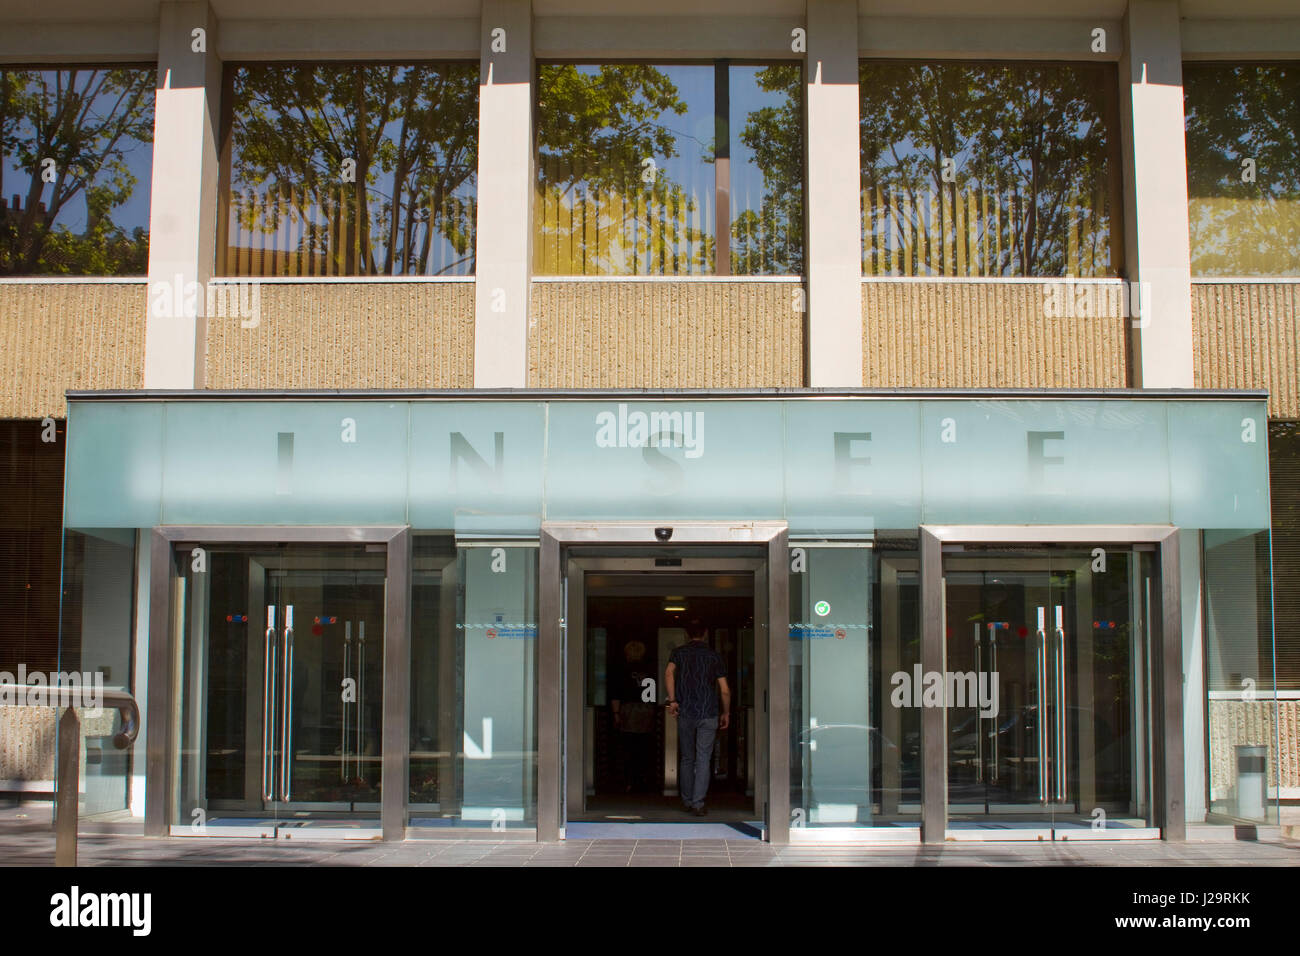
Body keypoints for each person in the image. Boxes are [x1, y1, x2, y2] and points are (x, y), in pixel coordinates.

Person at [664, 621, 730, 816]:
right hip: (708, 712)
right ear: (706, 633)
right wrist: (726, 712)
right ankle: (698, 803)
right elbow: (724, 690)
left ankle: (686, 800)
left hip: (685, 711)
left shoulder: (678, 653)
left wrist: (673, 701)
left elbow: (668, 673)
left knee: (686, 758)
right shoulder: (713, 656)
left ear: (687, 633)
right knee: (703, 759)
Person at [610, 639, 655, 793]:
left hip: (628, 711)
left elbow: (616, 694)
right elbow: (652, 695)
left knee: (628, 747)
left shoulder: (621, 670)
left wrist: (616, 714)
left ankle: (629, 780)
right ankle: (643, 778)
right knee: (644, 747)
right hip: (646, 711)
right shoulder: (649, 669)